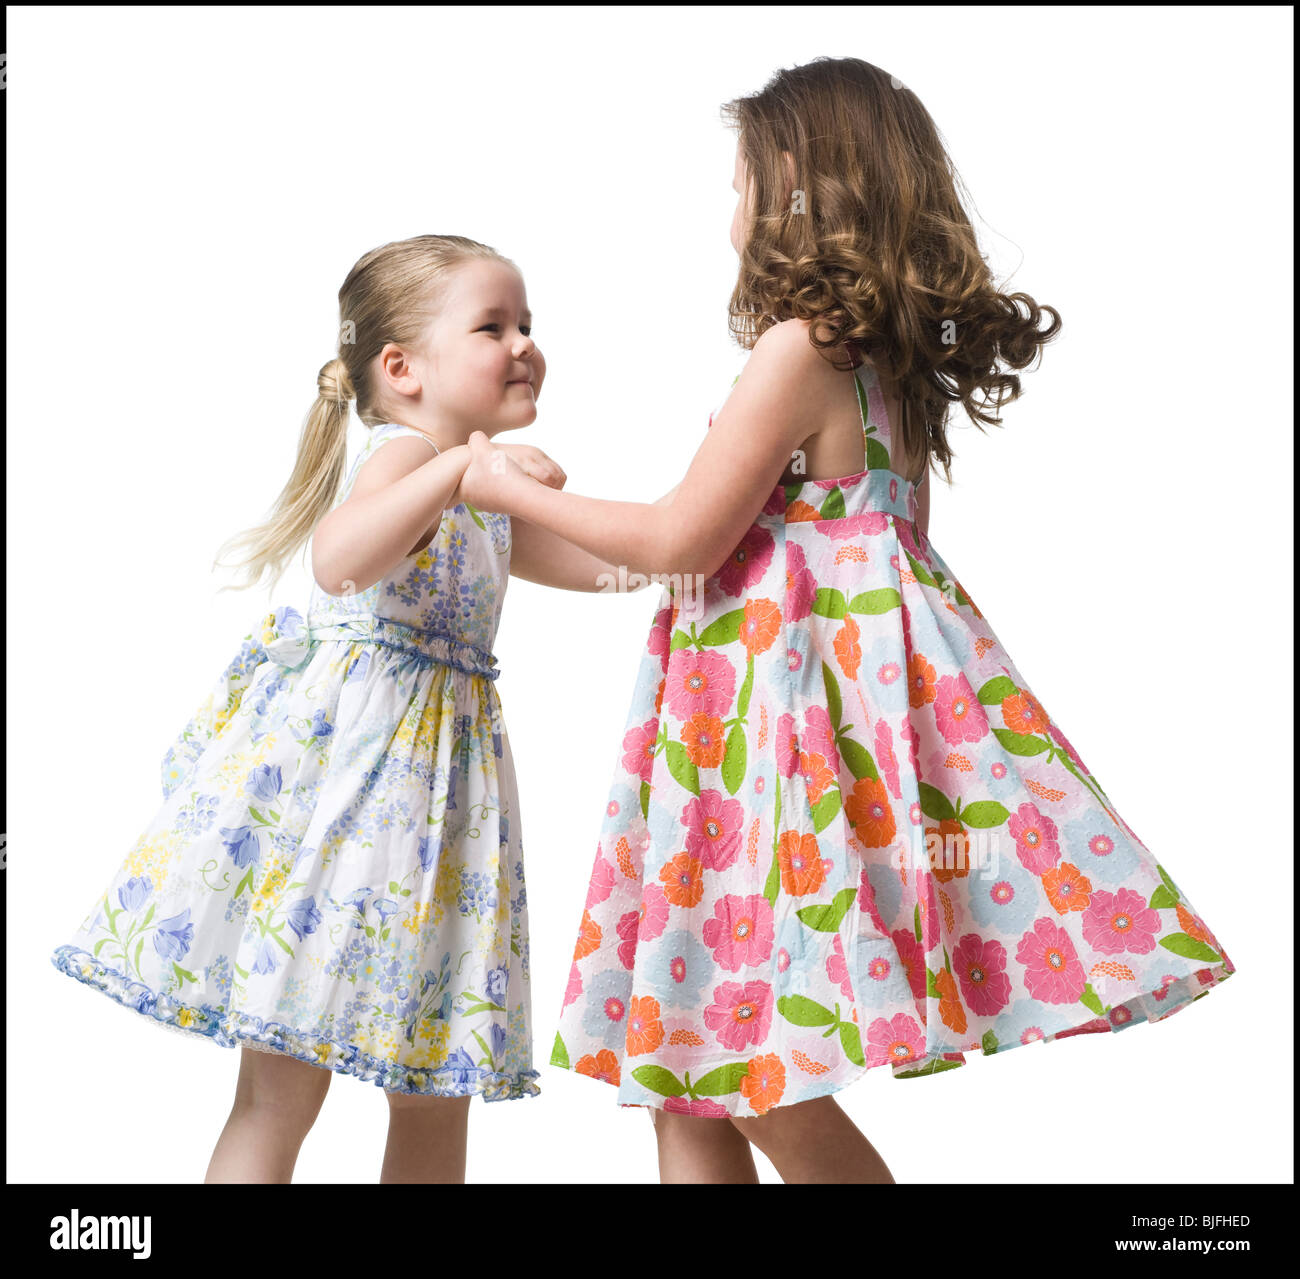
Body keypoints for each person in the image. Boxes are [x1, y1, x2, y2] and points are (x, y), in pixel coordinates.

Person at [453, 59, 1236, 1184]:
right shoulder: (877, 361)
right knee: (688, 1068)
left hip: (775, 743)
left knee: (735, 1062)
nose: (728, 218)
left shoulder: (799, 349)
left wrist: (502, 487)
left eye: (738, 188)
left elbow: (681, 537)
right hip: (772, 729)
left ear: (799, 191)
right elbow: (753, 551)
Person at [50, 233, 613, 1183]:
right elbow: (340, 558)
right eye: (493, 325)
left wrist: (732, 519)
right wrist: (467, 468)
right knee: (282, 1084)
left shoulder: (482, 498)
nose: (524, 343)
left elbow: (616, 565)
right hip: (345, 805)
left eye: (528, 324)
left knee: (435, 1088)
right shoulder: (403, 460)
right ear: (401, 369)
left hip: (443, 824)